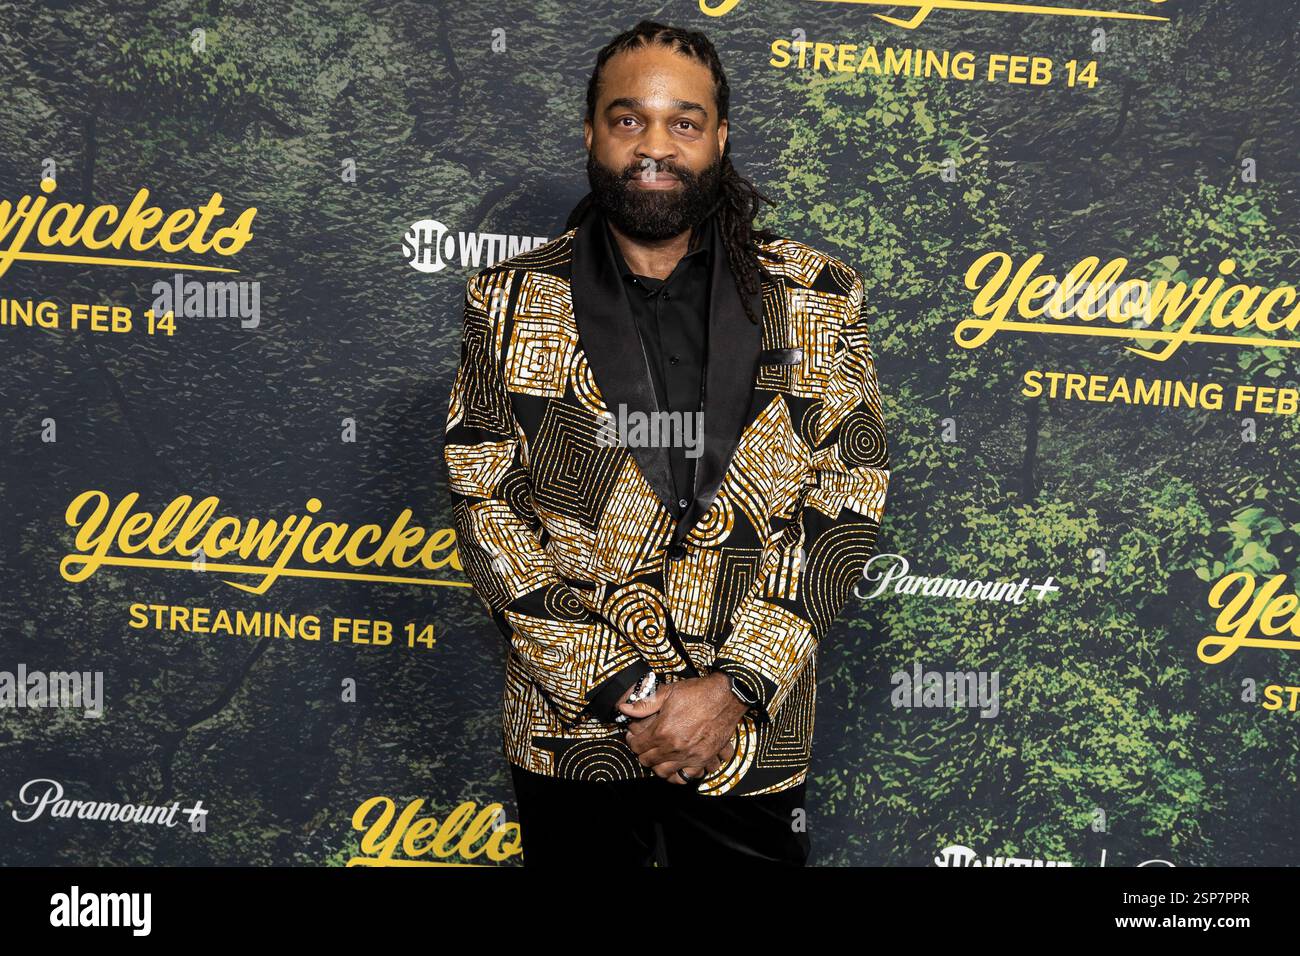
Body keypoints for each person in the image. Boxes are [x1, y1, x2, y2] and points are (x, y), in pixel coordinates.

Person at [443, 20, 890, 866]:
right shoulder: (504, 300)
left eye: (684, 122)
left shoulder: (818, 293)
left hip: (747, 736)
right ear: (591, 133)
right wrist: (623, 685)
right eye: (629, 119)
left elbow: (847, 498)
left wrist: (736, 686)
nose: (655, 145)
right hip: (570, 730)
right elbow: (484, 503)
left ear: (719, 138)